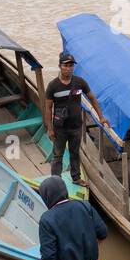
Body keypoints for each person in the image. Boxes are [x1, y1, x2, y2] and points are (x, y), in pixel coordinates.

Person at [44, 52, 105, 186]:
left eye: (71, 65)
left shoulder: (80, 82)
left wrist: (101, 117)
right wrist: (49, 129)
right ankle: (56, 181)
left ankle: (76, 178)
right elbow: (48, 108)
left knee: (74, 153)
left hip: (76, 127)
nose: (69, 68)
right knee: (58, 155)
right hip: (60, 128)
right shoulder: (53, 86)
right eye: (66, 65)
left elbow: (93, 99)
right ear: (60, 66)